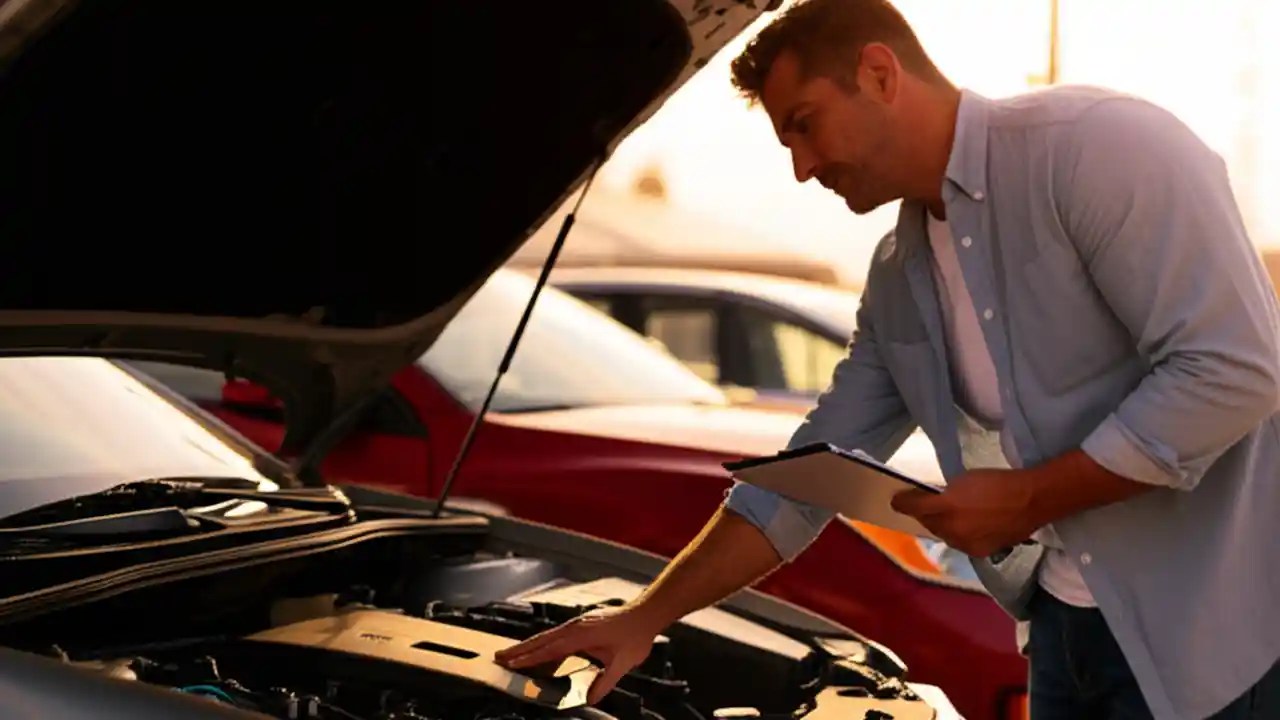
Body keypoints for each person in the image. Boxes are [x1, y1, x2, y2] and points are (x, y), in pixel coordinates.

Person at [495, 1, 1280, 717]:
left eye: (804, 124)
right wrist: (643, 618)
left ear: (879, 73)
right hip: (1060, 638)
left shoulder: (1099, 149)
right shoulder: (899, 276)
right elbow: (805, 478)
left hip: (1211, 643)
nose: (801, 166)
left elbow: (1236, 369)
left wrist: (1028, 499)